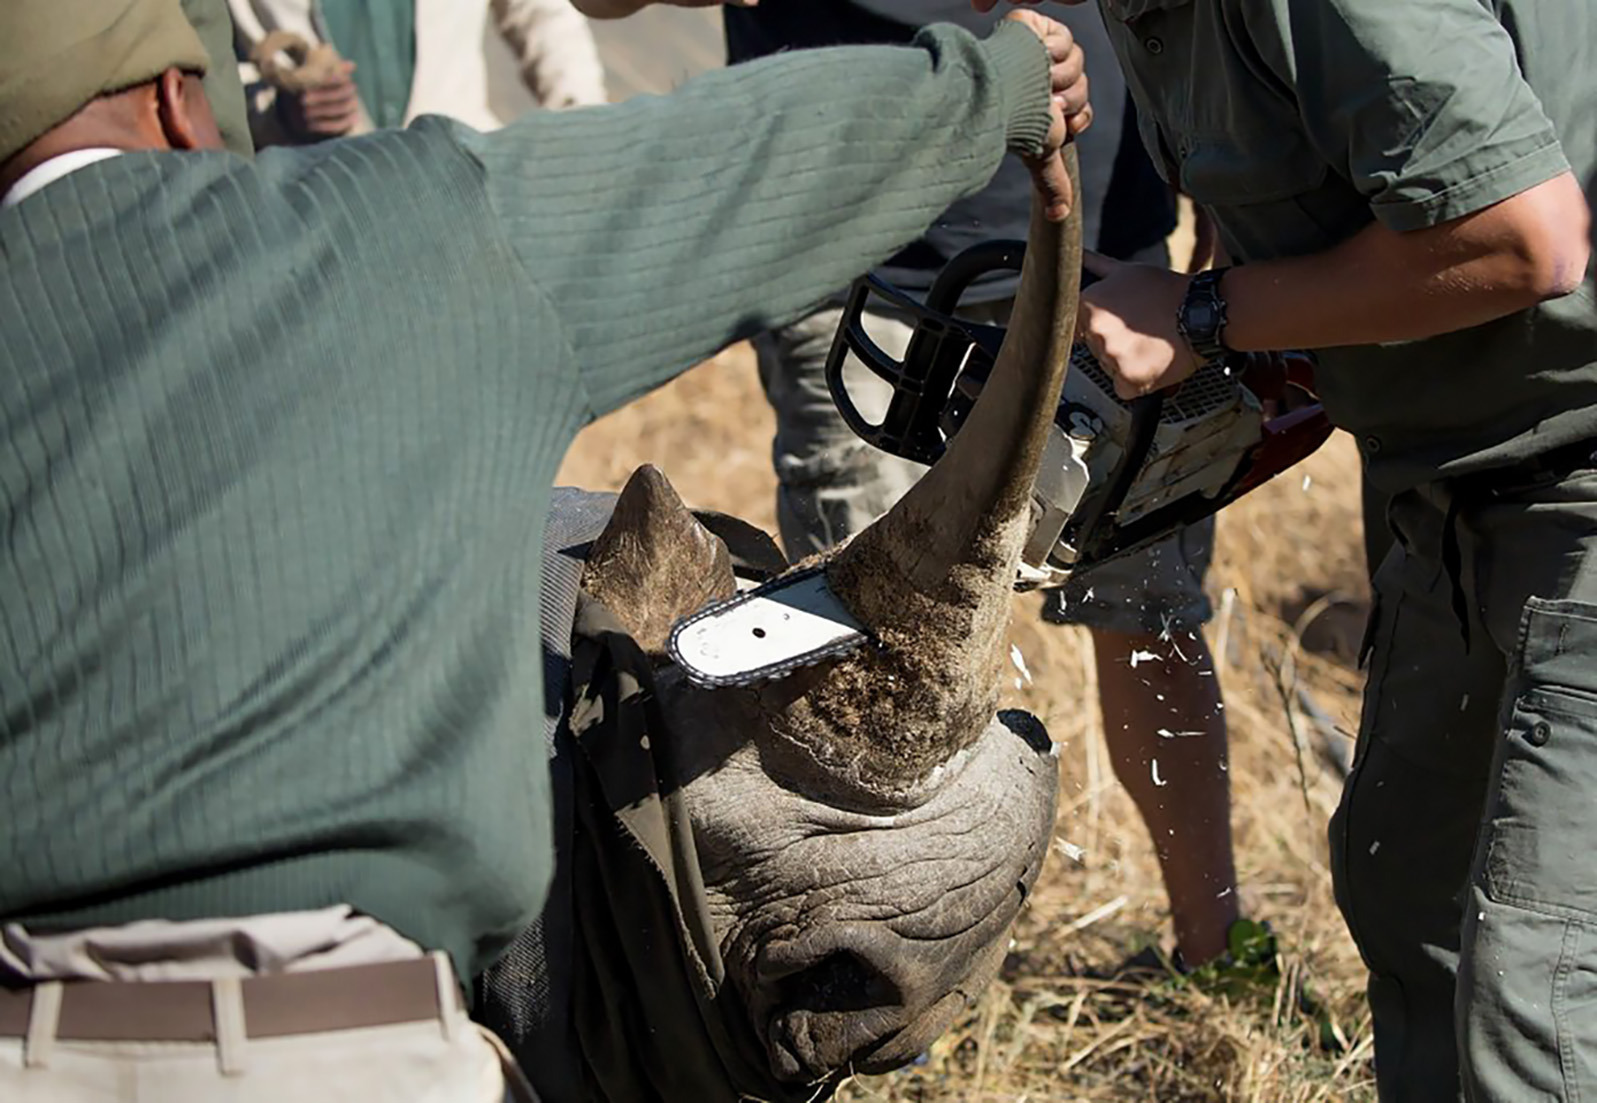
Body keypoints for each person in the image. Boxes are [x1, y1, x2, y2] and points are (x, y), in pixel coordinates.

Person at [0, 0, 1089, 1096]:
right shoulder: (380, 223)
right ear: (177, 104)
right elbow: (732, 162)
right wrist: (993, 85)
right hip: (342, 1045)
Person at [1005, 0, 1595, 1096]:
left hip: (1575, 463)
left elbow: (1529, 238)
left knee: (1540, 990)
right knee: (1410, 899)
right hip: (1449, 478)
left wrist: (1204, 313)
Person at [714, 0, 1242, 968]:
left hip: (1103, 235)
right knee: (860, 661)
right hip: (855, 252)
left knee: (1150, 618)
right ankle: (872, 994)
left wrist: (1222, 149)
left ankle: (1214, 952)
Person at [227, 0, 608, 147]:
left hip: (464, 178)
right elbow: (207, 79)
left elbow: (543, 16)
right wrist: (280, 116)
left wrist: (587, 128)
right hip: (319, 205)